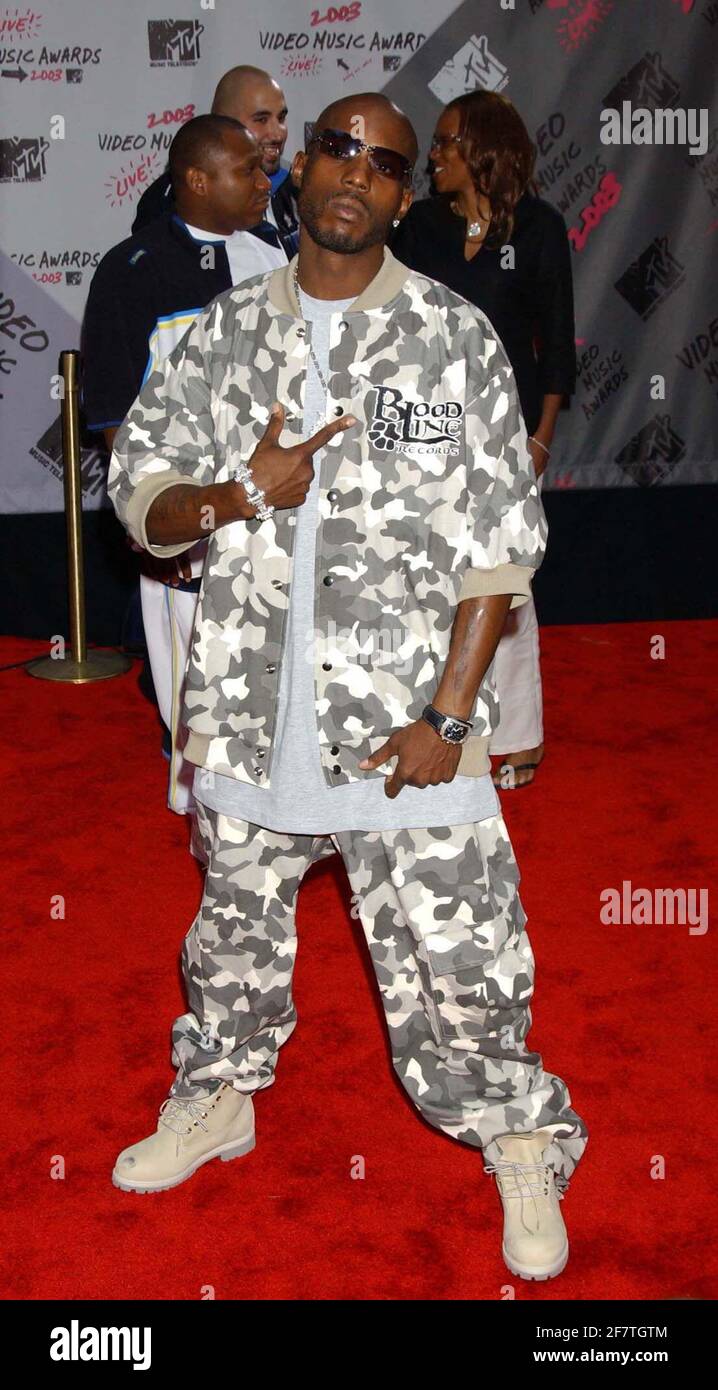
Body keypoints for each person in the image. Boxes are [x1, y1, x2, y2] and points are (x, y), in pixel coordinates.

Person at [107, 93, 587, 1282]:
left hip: (405, 723)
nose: (355, 175)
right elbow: (141, 498)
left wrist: (448, 716)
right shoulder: (216, 338)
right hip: (253, 702)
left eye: (382, 163)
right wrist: (238, 494)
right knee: (231, 931)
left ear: (402, 192)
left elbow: (498, 550)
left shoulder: (453, 336)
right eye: (337, 148)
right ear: (300, 163)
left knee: (463, 957)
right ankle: (217, 1096)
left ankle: (519, 1132)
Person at [83, 115, 286, 825]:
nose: (267, 182)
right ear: (197, 181)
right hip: (179, 516)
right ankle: (208, 814)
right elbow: (111, 416)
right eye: (249, 170)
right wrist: (150, 527)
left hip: (265, 511)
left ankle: (258, 806)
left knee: (262, 666)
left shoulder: (270, 262)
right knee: (188, 679)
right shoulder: (129, 270)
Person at [392, 91, 577, 789]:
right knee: (427, 580)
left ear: (481, 151)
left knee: (508, 587)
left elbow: (555, 344)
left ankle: (522, 736)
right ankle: (437, 720)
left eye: (443, 143)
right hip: (424, 431)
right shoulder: (422, 229)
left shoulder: (539, 228)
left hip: (508, 437)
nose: (432, 157)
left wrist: (541, 439)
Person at [133, 65, 298, 258]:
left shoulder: (295, 183)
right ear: (223, 122)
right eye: (261, 120)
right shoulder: (170, 201)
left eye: (281, 117)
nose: (278, 133)